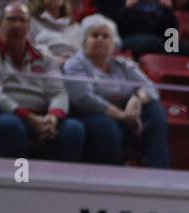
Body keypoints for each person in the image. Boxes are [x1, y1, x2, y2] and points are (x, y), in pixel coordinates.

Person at [0, 2, 85, 161]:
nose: (17, 25)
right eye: (11, 20)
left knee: (74, 129)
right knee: (11, 126)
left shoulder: (43, 54)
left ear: (29, 26)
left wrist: (52, 117)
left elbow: (58, 92)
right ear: (0, 24)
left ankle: (55, 183)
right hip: (1, 113)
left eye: (22, 20)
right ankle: (16, 181)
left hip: (41, 115)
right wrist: (28, 117)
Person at [62, 14, 169, 168]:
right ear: (84, 41)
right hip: (90, 116)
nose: (100, 39)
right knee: (107, 127)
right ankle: (110, 177)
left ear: (114, 43)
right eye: (94, 35)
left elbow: (151, 89)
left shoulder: (123, 64)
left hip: (126, 117)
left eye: (105, 36)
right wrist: (122, 116)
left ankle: (158, 170)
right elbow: (83, 99)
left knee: (155, 110)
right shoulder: (75, 64)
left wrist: (137, 99)